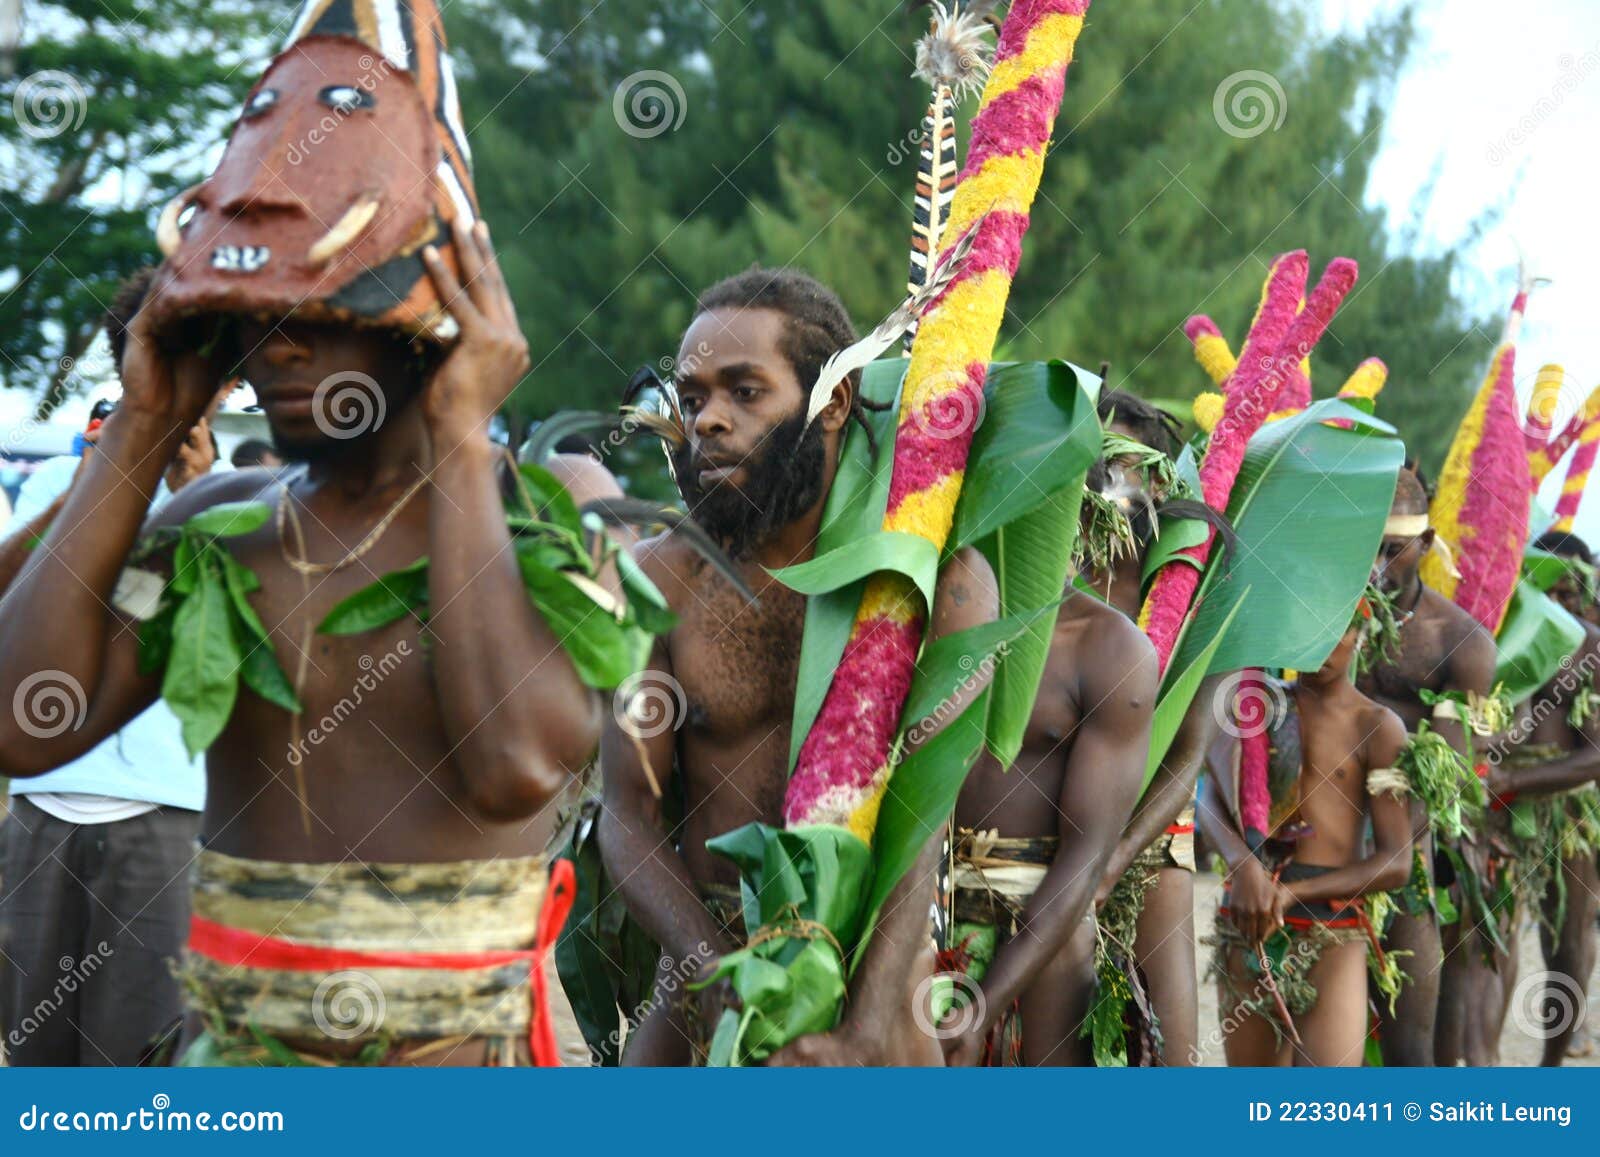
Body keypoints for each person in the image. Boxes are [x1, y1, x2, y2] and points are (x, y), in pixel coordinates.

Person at [0, 0, 622, 1066]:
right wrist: (145, 426)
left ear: (436, 314)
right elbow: (19, 725)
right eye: (260, 321)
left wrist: (462, 436)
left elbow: (515, 766)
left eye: (327, 316)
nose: (277, 353)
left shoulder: (547, 511)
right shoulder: (219, 530)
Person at [598, 267, 998, 1066]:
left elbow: (919, 825)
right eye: (694, 394)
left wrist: (865, 1026)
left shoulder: (930, 580)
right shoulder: (662, 579)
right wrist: (713, 973)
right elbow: (627, 814)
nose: (708, 419)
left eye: (746, 392)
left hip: (877, 969)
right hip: (708, 966)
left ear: (834, 402)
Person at [0, 272, 214, 1066]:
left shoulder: (241, 494)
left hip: (168, 814)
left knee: (140, 1059)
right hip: (39, 812)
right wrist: (108, 470)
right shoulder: (63, 479)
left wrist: (198, 484)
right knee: (35, 1053)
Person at [940, 453, 1158, 1066]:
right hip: (918, 918)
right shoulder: (920, 618)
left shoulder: (1110, 648)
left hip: (1043, 934)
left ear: (1079, 520)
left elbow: (1086, 857)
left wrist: (985, 1003)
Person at [1084, 389, 1226, 1066]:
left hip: (1154, 836)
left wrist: (1116, 858)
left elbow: (1190, 750)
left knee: (1171, 1053)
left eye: (1128, 463)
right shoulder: (1042, 569)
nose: (1113, 480)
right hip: (1048, 837)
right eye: (1099, 459)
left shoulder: (1185, 589)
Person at [1199, 621, 1413, 1066]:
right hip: (1250, 916)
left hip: (1331, 927)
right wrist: (1243, 866)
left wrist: (1291, 893)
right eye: (1310, 624)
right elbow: (1208, 797)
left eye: (1340, 629)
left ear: (1363, 633)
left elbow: (1396, 863)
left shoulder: (1376, 725)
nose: (1323, 641)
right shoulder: (1260, 703)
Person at [1356, 466, 1497, 1066]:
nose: (1377, 566)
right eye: (1367, 547)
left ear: (1428, 544)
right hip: (1316, 837)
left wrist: (1392, 857)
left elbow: (1455, 766)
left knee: (1411, 1044)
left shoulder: (1462, 642)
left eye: (1394, 550)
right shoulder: (1323, 621)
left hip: (1412, 850)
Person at [1486, 530, 1600, 1064]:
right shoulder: (1508, 633)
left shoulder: (1591, 648)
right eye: (1546, 589)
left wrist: (1514, 783)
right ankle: (1477, 1058)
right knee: (1489, 933)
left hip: (1566, 809)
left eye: (1570, 593)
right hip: (1496, 805)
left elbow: (1594, 757)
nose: (1556, 605)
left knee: (1569, 935)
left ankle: (1552, 1067)